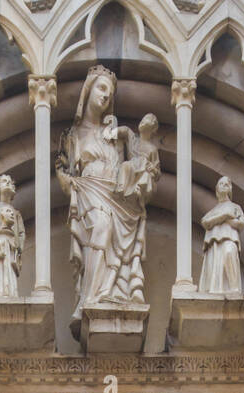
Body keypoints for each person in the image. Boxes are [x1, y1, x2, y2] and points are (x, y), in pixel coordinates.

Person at [56, 66, 160, 337]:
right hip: (89, 189)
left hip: (115, 194)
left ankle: (113, 293)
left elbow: (135, 164)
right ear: (88, 90)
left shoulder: (115, 134)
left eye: (109, 92)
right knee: (101, 227)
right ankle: (90, 298)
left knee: (113, 233)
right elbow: (63, 170)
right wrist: (71, 185)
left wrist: (130, 137)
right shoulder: (73, 134)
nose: (105, 96)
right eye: (101, 88)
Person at [199, 175, 244, 295]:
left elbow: (240, 223)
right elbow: (205, 222)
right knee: (215, 266)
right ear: (216, 188)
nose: (224, 186)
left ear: (230, 189)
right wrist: (225, 216)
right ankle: (216, 290)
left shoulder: (235, 207)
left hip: (230, 238)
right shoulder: (213, 210)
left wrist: (225, 220)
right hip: (214, 242)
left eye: (227, 184)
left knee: (229, 253)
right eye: (221, 184)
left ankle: (233, 288)